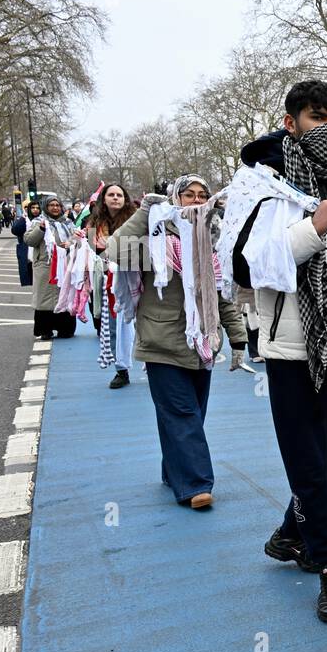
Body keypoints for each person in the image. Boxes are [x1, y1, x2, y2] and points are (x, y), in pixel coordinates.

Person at [230, 79, 327, 623]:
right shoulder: (263, 185)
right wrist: (311, 229)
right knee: (309, 468)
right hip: (294, 350)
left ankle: (289, 534)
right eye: (318, 116)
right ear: (291, 120)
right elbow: (245, 267)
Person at [107, 174, 247, 512]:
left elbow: (223, 295)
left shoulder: (213, 240)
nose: (197, 201)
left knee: (190, 415)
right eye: (188, 195)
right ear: (175, 199)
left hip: (204, 345)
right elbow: (114, 250)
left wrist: (238, 338)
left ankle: (174, 471)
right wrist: (146, 211)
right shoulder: (154, 238)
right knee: (182, 413)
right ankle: (196, 485)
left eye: (203, 195)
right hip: (162, 343)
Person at [83, 183, 137, 389]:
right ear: (103, 199)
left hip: (137, 278)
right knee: (114, 327)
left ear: (125, 198)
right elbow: (92, 251)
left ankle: (154, 366)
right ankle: (121, 370)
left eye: (119, 195)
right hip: (109, 281)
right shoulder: (92, 224)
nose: (115, 198)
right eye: (111, 194)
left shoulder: (136, 219)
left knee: (145, 325)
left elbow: (140, 246)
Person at [24, 195, 79, 339]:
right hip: (45, 266)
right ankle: (45, 330)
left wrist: (71, 243)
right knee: (45, 299)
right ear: (46, 207)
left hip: (65, 265)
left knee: (64, 296)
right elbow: (29, 240)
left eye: (57, 205)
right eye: (51, 205)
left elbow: (77, 239)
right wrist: (41, 229)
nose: (55, 208)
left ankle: (65, 329)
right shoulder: (38, 222)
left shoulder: (68, 223)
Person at [12, 201, 39, 285]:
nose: (35, 210)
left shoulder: (42, 220)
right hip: (26, 252)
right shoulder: (23, 219)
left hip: (38, 253)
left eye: (37, 208)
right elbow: (15, 230)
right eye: (32, 208)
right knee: (29, 277)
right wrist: (23, 219)